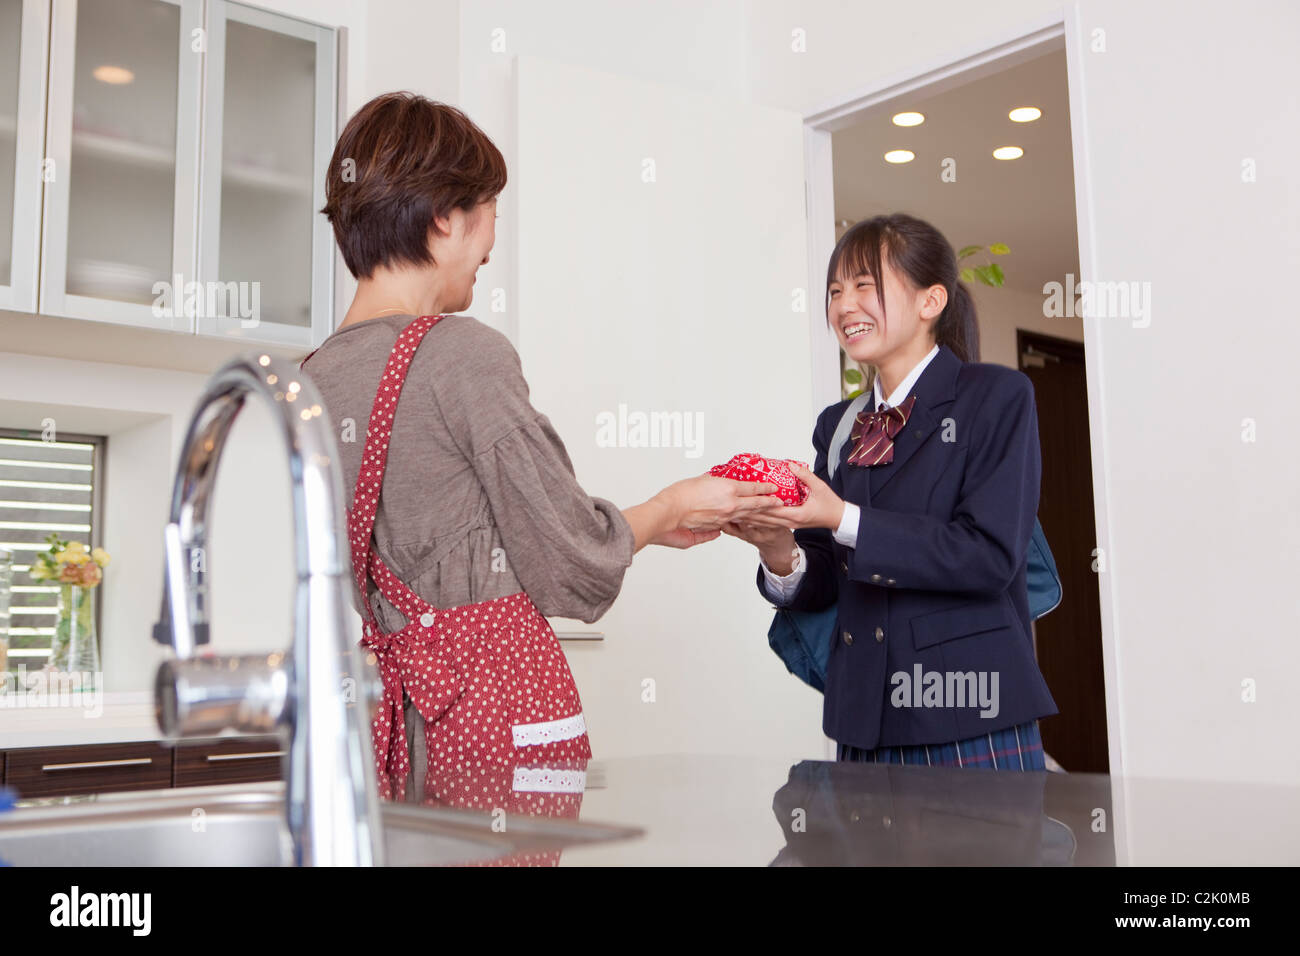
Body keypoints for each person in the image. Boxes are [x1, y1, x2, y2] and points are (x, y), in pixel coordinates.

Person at [302, 92, 783, 800]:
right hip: (491, 714)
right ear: (444, 218)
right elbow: (571, 560)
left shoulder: (308, 379)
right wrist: (670, 505)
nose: (493, 241)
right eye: (491, 208)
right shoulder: (460, 354)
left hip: (386, 721)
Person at [725, 213, 1058, 770]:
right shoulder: (839, 425)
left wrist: (844, 517)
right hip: (863, 721)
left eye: (863, 285)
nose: (843, 306)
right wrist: (778, 550)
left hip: (968, 712)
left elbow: (988, 556)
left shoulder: (996, 397)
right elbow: (828, 575)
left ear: (931, 301)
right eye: (835, 291)